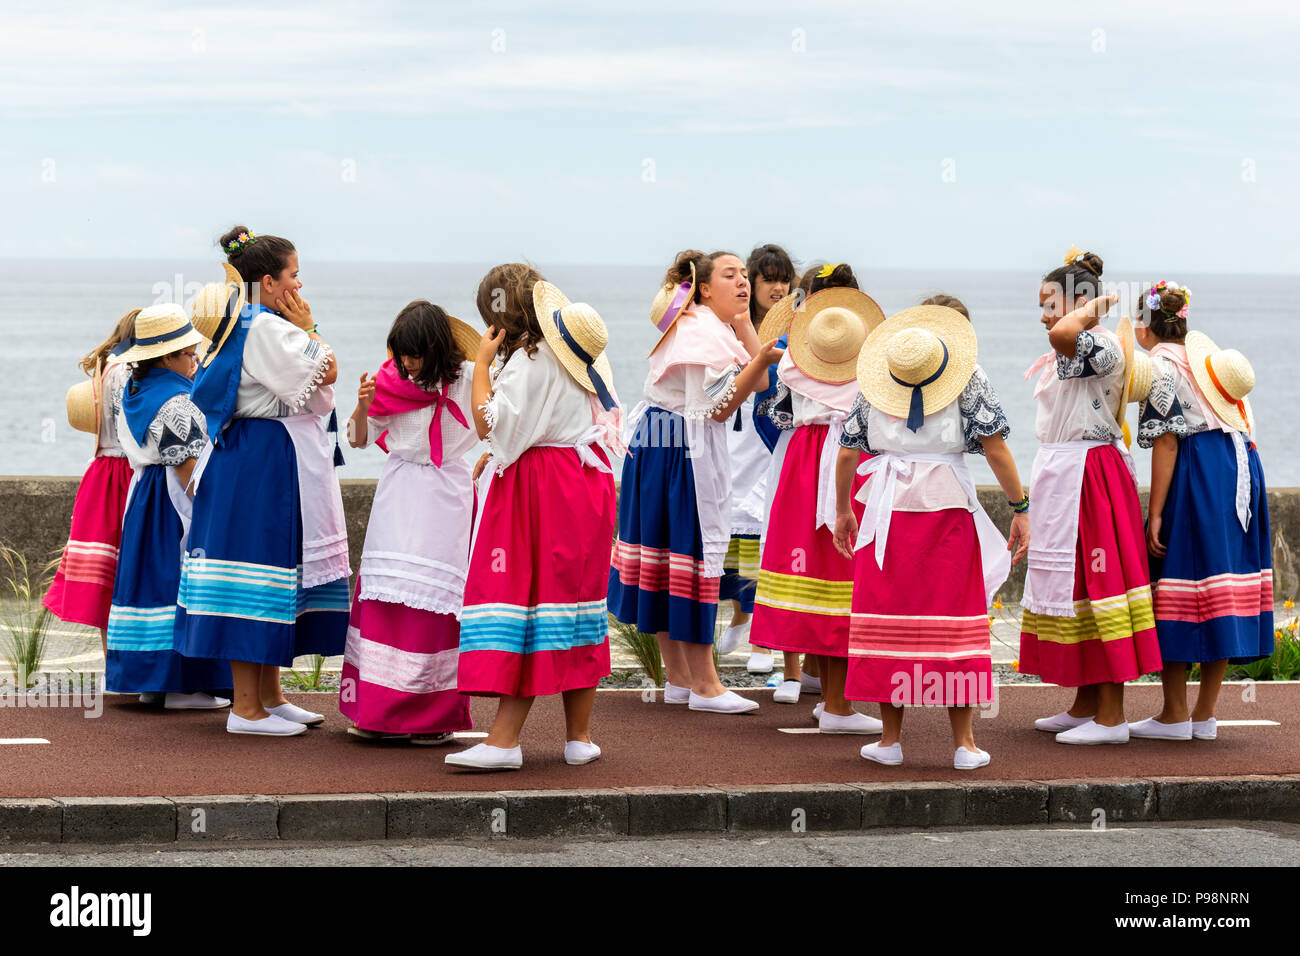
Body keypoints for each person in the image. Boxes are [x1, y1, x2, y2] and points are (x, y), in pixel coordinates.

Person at [834, 303, 1029, 769]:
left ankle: (890, 740)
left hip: (884, 508)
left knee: (888, 616)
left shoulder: (876, 376)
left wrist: (843, 509)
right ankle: (963, 744)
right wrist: (1020, 507)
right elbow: (996, 447)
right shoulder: (970, 377)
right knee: (953, 617)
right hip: (945, 507)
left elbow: (846, 453)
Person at [175, 226, 349, 737]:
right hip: (260, 458)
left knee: (272, 569)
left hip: (253, 456)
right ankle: (246, 708)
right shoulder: (267, 328)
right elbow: (328, 371)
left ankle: (269, 697)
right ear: (270, 282)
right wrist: (312, 325)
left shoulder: (249, 321)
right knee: (256, 567)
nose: (300, 283)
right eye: (294, 274)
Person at [445, 266, 620, 770]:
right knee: (576, 599)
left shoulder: (527, 359)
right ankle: (579, 738)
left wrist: (480, 365)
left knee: (522, 599)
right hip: (585, 481)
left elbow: (492, 428)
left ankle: (504, 741)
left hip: (539, 486)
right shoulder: (582, 353)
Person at [608, 250, 783, 714]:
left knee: (669, 556)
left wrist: (750, 331)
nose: (744, 282)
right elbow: (720, 407)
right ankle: (704, 685)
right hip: (680, 449)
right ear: (704, 289)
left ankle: (681, 680)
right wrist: (757, 356)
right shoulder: (700, 332)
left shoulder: (710, 326)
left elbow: (760, 383)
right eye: (731, 276)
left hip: (660, 445)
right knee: (692, 552)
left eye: (745, 275)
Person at [1018, 247, 1161, 744]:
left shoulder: (1100, 346)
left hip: (1091, 474)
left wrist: (1092, 306)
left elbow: (1063, 333)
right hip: (1065, 471)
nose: (1044, 316)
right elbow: (1061, 334)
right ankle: (1085, 701)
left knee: (1100, 583)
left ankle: (1112, 715)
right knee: (1073, 581)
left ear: (1078, 304)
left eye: (1049, 303)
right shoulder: (1080, 344)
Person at [1128, 282, 1272, 741]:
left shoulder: (1159, 367)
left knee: (1177, 576)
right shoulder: (1211, 363)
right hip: (1241, 466)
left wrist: (1155, 511)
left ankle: (1174, 713)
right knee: (1221, 582)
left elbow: (1167, 439)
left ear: (1146, 329)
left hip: (1198, 470)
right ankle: (1204, 714)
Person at [340, 301, 480, 744]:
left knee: (438, 604)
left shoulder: (471, 378)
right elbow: (358, 439)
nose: (406, 363)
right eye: (401, 354)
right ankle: (378, 713)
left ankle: (432, 718)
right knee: (388, 595)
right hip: (400, 493)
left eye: (415, 354)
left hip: (448, 494)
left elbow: (497, 419)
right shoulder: (388, 382)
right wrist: (362, 407)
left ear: (436, 348)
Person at [753, 286, 885, 728]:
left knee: (816, 576)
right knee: (845, 577)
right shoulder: (866, 376)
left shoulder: (790, 365)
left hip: (801, 465)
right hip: (848, 461)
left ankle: (828, 695)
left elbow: (775, 416)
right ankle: (837, 705)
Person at [104, 305, 231, 707]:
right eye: (189, 354)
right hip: (172, 503)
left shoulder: (133, 390)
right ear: (165, 356)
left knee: (148, 581)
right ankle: (183, 683)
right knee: (178, 580)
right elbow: (189, 472)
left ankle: (150, 682)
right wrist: (216, 515)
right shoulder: (178, 403)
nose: (195, 360)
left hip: (143, 495)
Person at [716, 243, 798, 674]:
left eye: (784, 278)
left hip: (773, 436)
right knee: (734, 534)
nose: (777, 286)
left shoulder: (796, 331)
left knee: (767, 538)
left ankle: (765, 640)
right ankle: (740, 615)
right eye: (769, 278)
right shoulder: (730, 326)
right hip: (738, 430)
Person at [44, 309, 140, 654]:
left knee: (106, 577)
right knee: (128, 568)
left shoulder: (106, 366)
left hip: (100, 471)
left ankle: (111, 664)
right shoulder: (129, 370)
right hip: (125, 472)